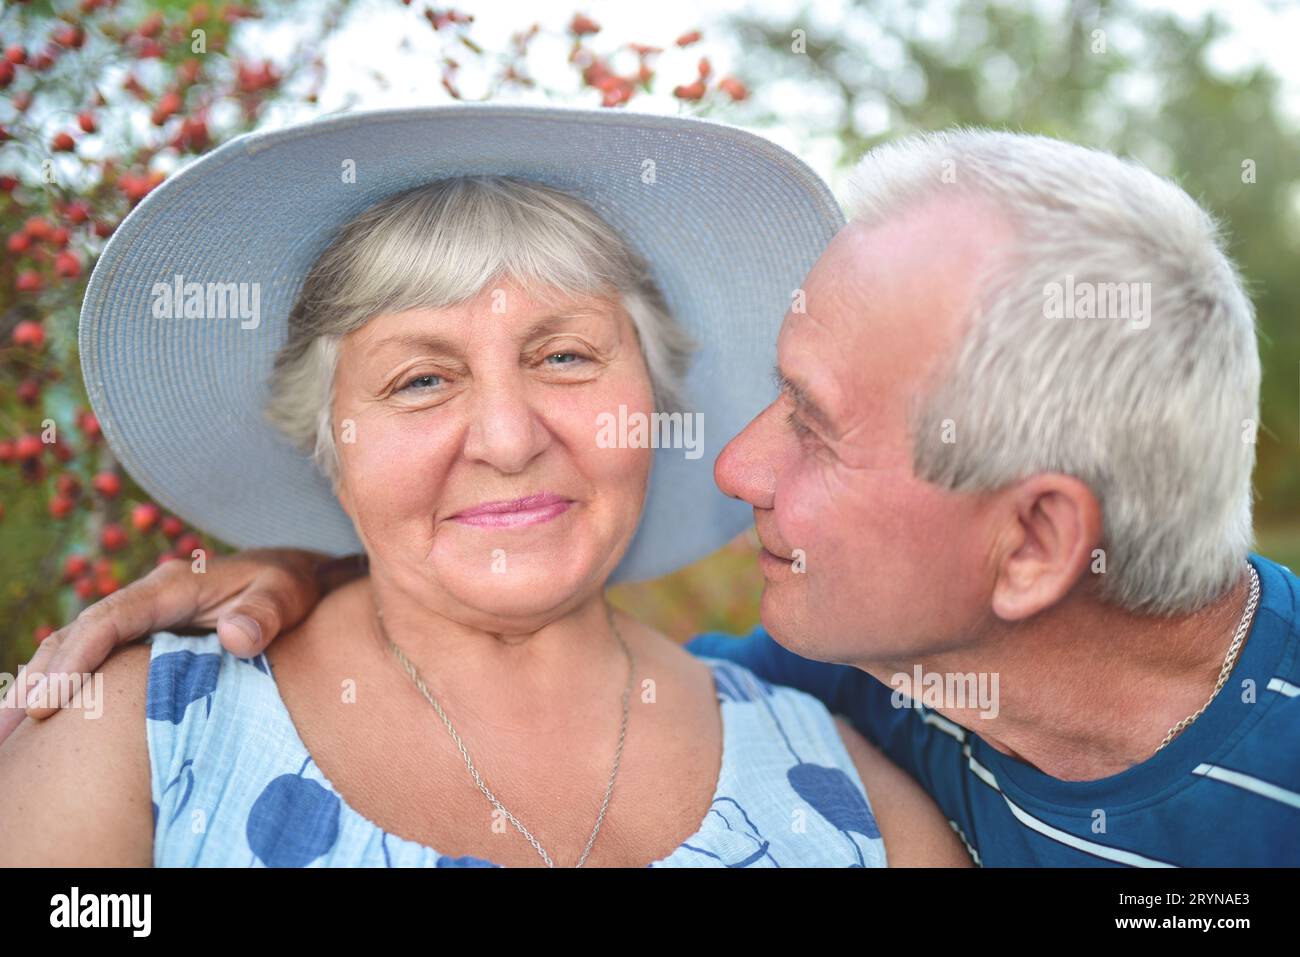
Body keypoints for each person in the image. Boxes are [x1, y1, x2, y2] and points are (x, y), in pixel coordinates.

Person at [15, 126, 1299, 866]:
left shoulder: (846, 768)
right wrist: (327, 565)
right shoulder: (138, 740)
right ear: (323, 438)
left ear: (1029, 549)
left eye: (569, 356)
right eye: (418, 381)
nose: (508, 437)